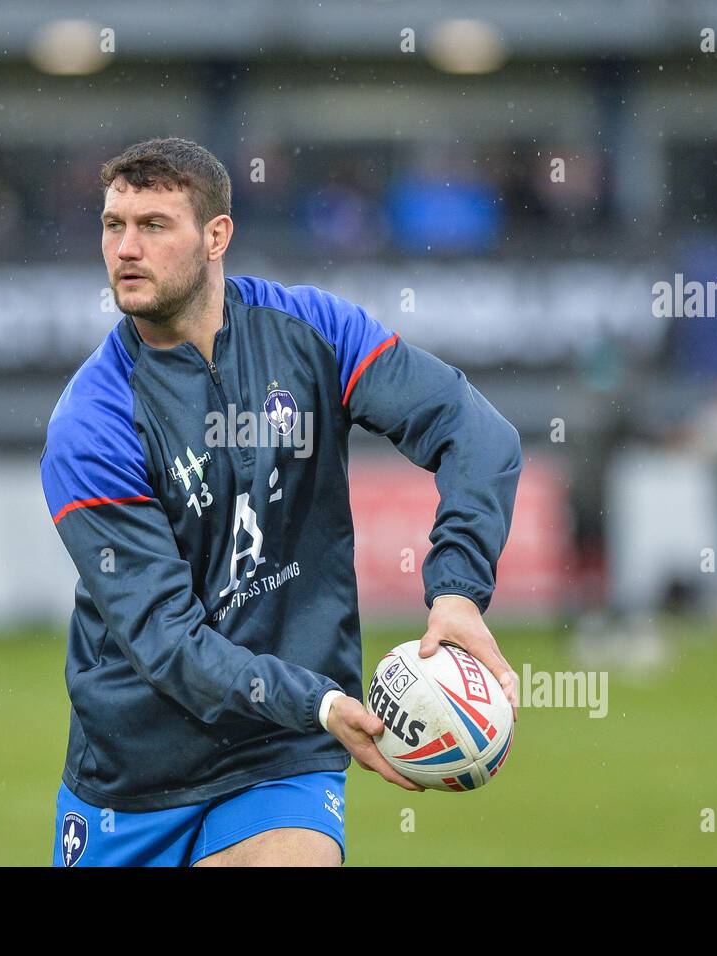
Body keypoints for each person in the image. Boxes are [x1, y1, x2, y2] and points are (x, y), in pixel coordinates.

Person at [41, 137, 522, 867]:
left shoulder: (314, 333)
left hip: (282, 753)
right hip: (134, 775)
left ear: (216, 236)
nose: (125, 249)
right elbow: (168, 643)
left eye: (154, 225)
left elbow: (476, 433)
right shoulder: (92, 423)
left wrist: (457, 593)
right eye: (114, 225)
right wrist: (324, 704)